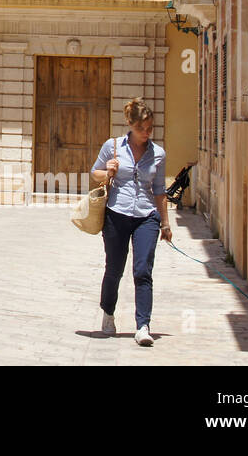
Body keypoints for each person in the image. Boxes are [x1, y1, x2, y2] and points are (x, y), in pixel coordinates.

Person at [90, 97, 171, 346]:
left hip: (147, 216)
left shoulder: (158, 153)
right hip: (117, 214)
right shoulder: (112, 146)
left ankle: (143, 325)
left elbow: (159, 190)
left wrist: (165, 223)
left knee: (143, 270)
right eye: (141, 129)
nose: (146, 133)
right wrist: (109, 171)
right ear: (130, 124)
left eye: (150, 128)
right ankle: (108, 313)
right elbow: (95, 173)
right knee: (114, 268)